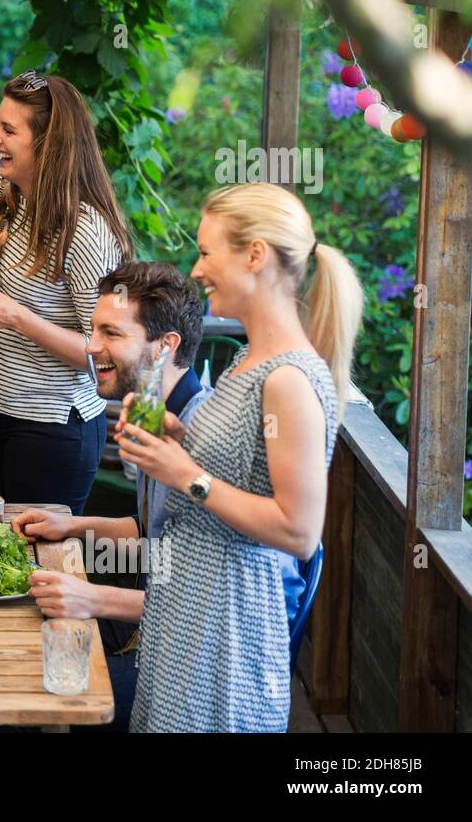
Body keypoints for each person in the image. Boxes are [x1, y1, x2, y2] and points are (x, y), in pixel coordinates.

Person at [115, 183, 363, 732]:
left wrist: (187, 474)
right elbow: (236, 471)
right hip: (183, 621)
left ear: (255, 256)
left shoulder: (290, 380)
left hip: (226, 639)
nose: (197, 270)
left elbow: (298, 532)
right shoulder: (249, 361)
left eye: (206, 252)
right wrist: (174, 440)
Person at [10, 261, 291, 731]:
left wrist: (91, 598)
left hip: (198, 673)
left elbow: (200, 592)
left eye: (111, 333)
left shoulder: (203, 436)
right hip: (162, 644)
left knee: (34, 689)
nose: (92, 346)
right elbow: (152, 533)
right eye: (91, 331)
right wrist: (73, 526)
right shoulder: (155, 415)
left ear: (166, 346)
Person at [0, 72, 132, 514]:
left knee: (35, 569)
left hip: (48, 427)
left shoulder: (86, 231)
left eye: (9, 130)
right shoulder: (3, 191)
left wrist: (17, 317)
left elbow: (105, 354)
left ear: (49, 144)